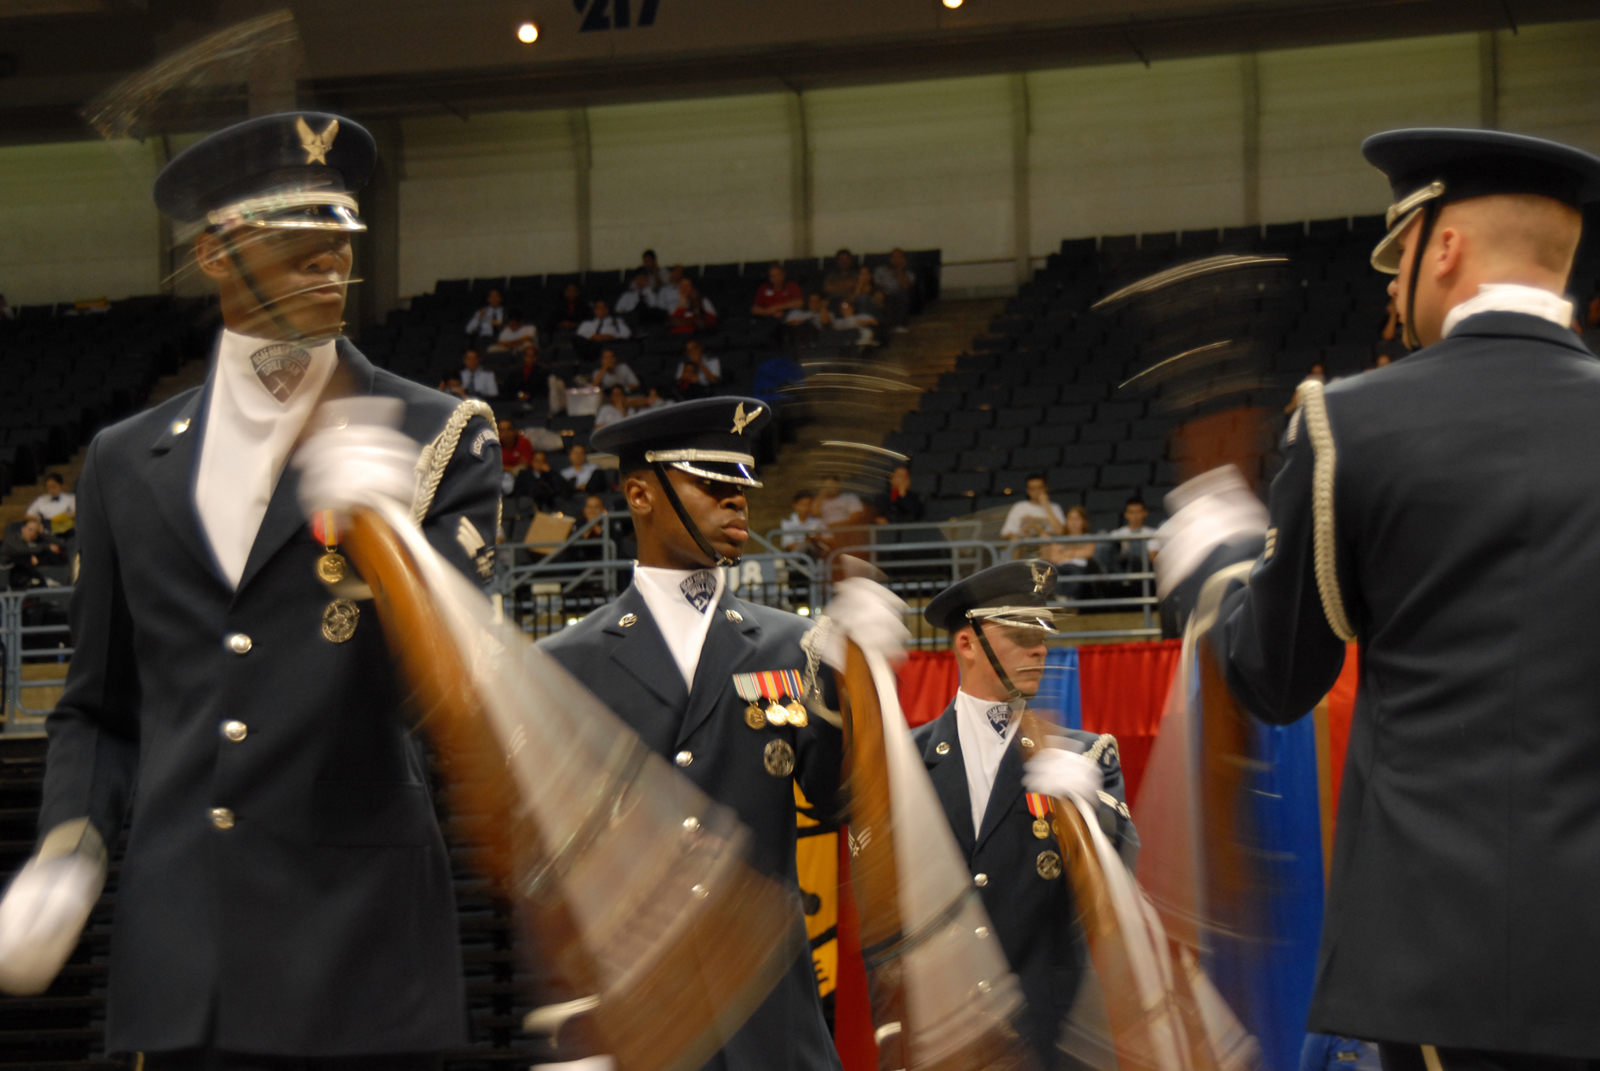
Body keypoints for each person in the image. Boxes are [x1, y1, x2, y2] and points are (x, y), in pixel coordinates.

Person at [0, 111, 501, 1063]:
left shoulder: (436, 434)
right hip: (182, 962)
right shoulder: (123, 460)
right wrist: (70, 846)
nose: (330, 269)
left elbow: (456, 692)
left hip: (361, 952)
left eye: (339, 246)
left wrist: (391, 549)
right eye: (297, 247)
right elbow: (100, 707)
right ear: (217, 254)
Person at [1154, 128, 1600, 1068]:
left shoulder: (1353, 423)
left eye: (1398, 262)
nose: (1392, 294)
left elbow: (1276, 675)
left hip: (1445, 965)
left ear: (1444, 249)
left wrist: (1218, 554)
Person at [539, 396, 903, 1071]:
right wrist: (569, 1026)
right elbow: (547, 867)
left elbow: (844, 808)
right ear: (641, 493)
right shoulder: (567, 663)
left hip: (771, 1020)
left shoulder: (798, 648)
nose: (737, 501)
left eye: (741, 486)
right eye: (712, 485)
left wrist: (864, 691)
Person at [914, 560, 1137, 1070]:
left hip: (1050, 1033)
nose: (1040, 648)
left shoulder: (1086, 756)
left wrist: (1086, 815)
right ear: (966, 643)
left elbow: (1122, 873)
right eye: (1018, 634)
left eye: (1043, 633)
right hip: (948, 1031)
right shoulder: (908, 759)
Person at [2, 516, 67, 590]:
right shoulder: (11, 540)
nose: (32, 533)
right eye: (30, 530)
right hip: (8, 573)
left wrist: (43, 533)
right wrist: (45, 547)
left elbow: (60, 545)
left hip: (30, 573)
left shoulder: (37, 541)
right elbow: (22, 550)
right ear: (23, 529)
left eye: (36, 532)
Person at [1000, 475, 1066, 545]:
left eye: (1039, 488)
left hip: (1048, 546)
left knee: (1045, 539)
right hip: (1024, 545)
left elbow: (1061, 532)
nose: (1037, 492)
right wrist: (1021, 533)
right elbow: (1005, 533)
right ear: (1028, 491)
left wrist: (1046, 506)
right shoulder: (1019, 507)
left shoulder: (1055, 507)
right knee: (1014, 541)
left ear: (1045, 489)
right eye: (1033, 489)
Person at [872, 248, 917, 331]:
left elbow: (906, 287)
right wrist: (881, 291)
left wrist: (900, 272)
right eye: (894, 257)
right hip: (883, 293)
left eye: (899, 257)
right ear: (890, 259)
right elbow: (876, 285)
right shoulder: (880, 270)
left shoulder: (909, 274)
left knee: (901, 295)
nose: (896, 260)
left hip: (898, 294)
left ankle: (900, 325)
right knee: (878, 297)